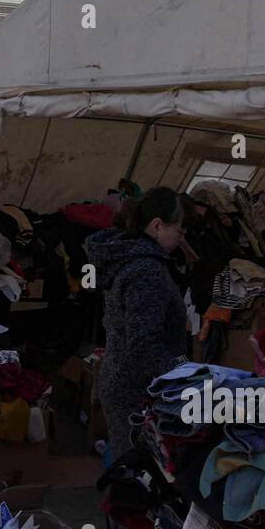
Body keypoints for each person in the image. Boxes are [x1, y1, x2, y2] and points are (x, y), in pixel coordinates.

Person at [85, 188, 189, 462]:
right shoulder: (147, 270)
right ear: (157, 225)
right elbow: (143, 341)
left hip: (121, 375)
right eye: (178, 231)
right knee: (137, 466)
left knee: (127, 457)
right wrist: (184, 375)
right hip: (135, 385)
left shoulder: (129, 257)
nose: (181, 239)